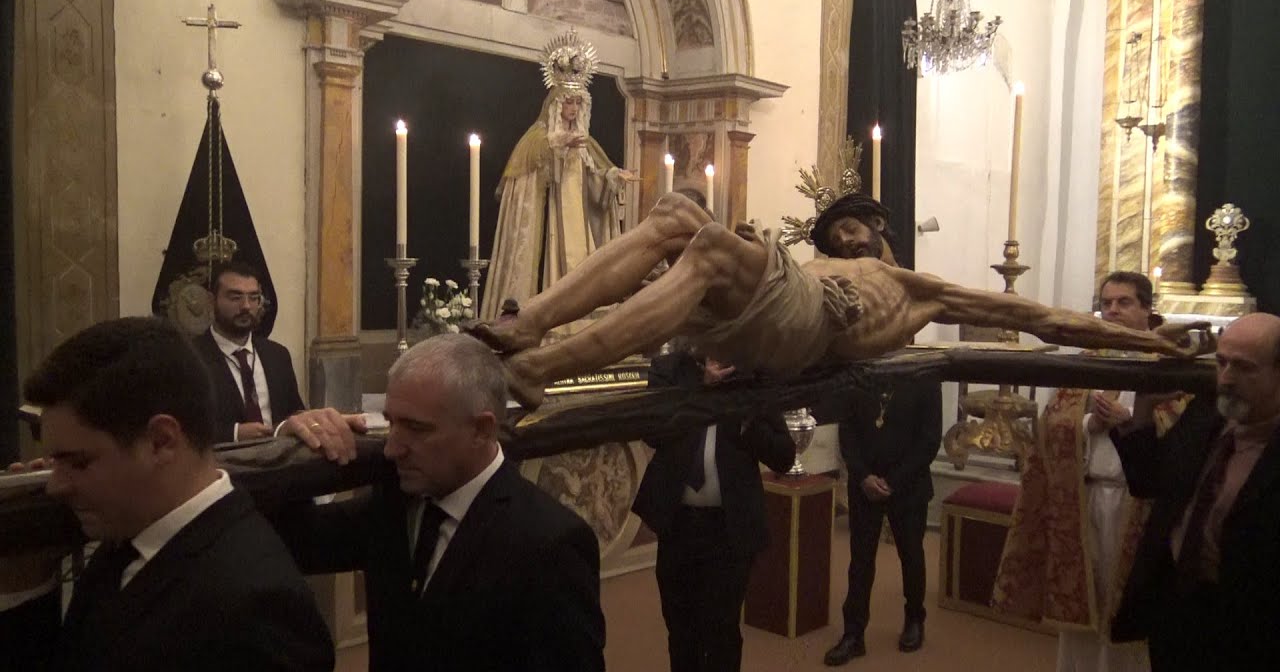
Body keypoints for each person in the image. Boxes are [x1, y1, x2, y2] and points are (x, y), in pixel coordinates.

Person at [468, 191, 1213, 410]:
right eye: (842, 232)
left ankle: (544, 366)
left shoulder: (919, 290)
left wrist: (1153, 341)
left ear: (883, 238)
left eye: (863, 233)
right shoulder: (820, 258)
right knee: (671, 215)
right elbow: (799, 264)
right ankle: (524, 325)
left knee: (706, 246)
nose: (854, 242)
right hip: (789, 299)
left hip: (815, 323)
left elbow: (1046, 320)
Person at [0, 317, 334, 671]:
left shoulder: (257, 608)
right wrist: (27, 580)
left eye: (78, 463)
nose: (55, 485)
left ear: (161, 442)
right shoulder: (131, 537)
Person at [271, 333, 606, 672]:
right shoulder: (395, 502)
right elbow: (291, 542)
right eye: (391, 423)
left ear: (481, 430)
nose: (392, 448)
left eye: (416, 429)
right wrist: (288, 444)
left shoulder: (549, 543)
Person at [993, 272, 1187, 672]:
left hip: (1139, 505)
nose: (1112, 310)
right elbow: (1051, 427)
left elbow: (1186, 436)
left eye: (1125, 302)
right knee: (1085, 601)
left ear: (1147, 310)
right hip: (1082, 504)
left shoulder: (1172, 367)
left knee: (1128, 605)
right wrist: (1090, 427)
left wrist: (1130, 419)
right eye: (1107, 302)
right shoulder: (1085, 365)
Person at [1109, 312, 1280, 671]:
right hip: (1177, 607)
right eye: (1221, 362)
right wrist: (1141, 412)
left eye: (1244, 367)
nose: (1227, 379)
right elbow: (1148, 481)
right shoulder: (1206, 414)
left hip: (1252, 624)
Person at [632, 349, 796, 672]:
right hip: (678, 529)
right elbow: (651, 430)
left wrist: (744, 421)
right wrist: (701, 389)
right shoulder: (669, 369)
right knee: (680, 631)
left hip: (728, 533)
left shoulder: (753, 376)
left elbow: (784, 455)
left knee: (721, 634)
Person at [480, 29, 638, 320]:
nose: (573, 108)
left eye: (578, 102)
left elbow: (593, 178)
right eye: (568, 101)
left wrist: (613, 176)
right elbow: (525, 187)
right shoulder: (538, 139)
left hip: (577, 221)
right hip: (550, 220)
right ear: (555, 103)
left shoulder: (585, 141)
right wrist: (556, 150)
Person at [824, 372, 942, 665]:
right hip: (865, 486)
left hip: (908, 484)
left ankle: (914, 619)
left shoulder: (925, 377)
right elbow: (847, 432)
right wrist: (863, 476)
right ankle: (853, 635)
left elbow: (929, 440)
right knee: (860, 561)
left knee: (911, 556)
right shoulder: (860, 374)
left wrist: (894, 481)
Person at [192, 260, 304, 443]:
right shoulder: (191, 358)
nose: (246, 306)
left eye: (253, 298)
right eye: (235, 297)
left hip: (281, 463)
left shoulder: (278, 355)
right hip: (225, 466)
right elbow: (181, 428)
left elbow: (295, 412)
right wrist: (234, 434)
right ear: (212, 301)